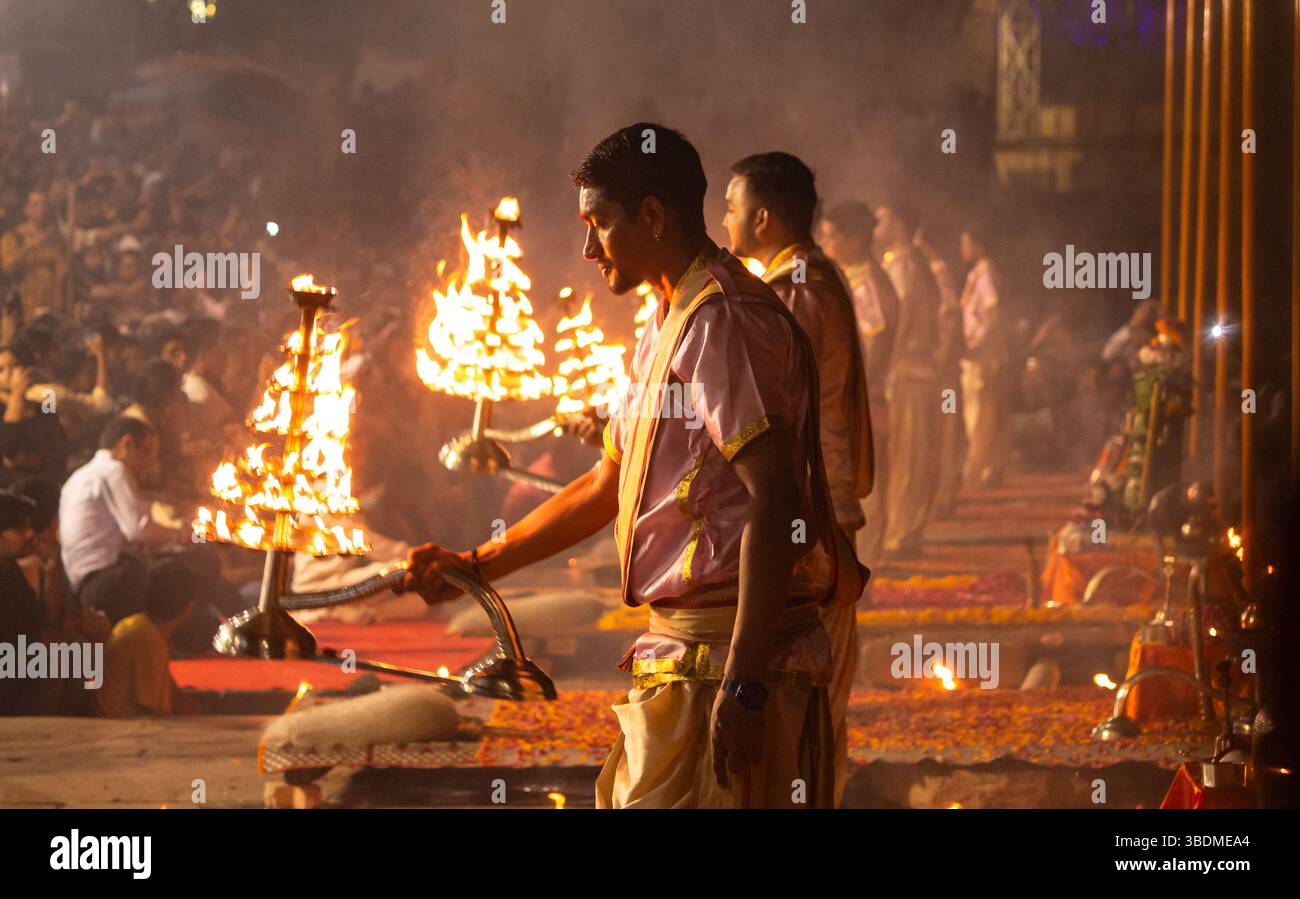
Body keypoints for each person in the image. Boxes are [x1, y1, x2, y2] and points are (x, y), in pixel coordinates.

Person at [401, 123, 863, 808]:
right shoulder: (663, 319)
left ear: (653, 215)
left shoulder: (722, 321)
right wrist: (475, 565)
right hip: (678, 660)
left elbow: (775, 500)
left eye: (600, 224)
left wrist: (743, 684)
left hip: (725, 661)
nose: (588, 248)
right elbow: (603, 485)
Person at [722, 151, 872, 806]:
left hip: (812, 519)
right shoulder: (807, 277)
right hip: (817, 514)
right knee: (810, 708)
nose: (722, 219)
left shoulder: (796, 291)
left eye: (730, 206)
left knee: (802, 706)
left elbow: (781, 422)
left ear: (762, 217)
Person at [818, 201, 899, 566]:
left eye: (832, 236)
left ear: (853, 241)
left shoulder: (868, 284)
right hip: (862, 398)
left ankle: (863, 571)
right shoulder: (857, 278)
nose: (825, 242)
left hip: (865, 400)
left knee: (865, 489)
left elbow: (874, 344)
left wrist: (855, 389)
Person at [58, 416, 183, 622]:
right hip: (106, 584)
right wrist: (180, 535)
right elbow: (139, 530)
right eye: (146, 452)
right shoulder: (114, 470)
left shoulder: (80, 475)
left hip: (82, 589)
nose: (149, 463)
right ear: (126, 443)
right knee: (176, 575)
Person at [875, 202, 943, 554]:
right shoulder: (911, 263)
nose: (876, 224)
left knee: (906, 455)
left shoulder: (902, 264)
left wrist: (884, 367)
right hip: (920, 371)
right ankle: (906, 531)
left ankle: (901, 534)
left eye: (883, 218)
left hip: (907, 372)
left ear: (898, 225)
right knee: (914, 453)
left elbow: (895, 323)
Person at [96, 560, 197, 718]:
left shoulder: (136, 624)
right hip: (120, 732)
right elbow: (157, 714)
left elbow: (175, 696)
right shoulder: (148, 640)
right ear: (188, 608)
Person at [958, 224, 1012, 489]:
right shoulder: (979, 273)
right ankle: (988, 468)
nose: (962, 249)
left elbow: (993, 311)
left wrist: (977, 344)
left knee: (980, 416)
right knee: (986, 415)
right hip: (983, 355)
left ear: (978, 245)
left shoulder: (985, 274)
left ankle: (979, 469)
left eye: (966, 243)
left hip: (983, 357)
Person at [0, 491, 41, 715]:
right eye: (19, 529)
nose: (30, 534)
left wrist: (51, 571)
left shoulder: (11, 572)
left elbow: (36, 623)